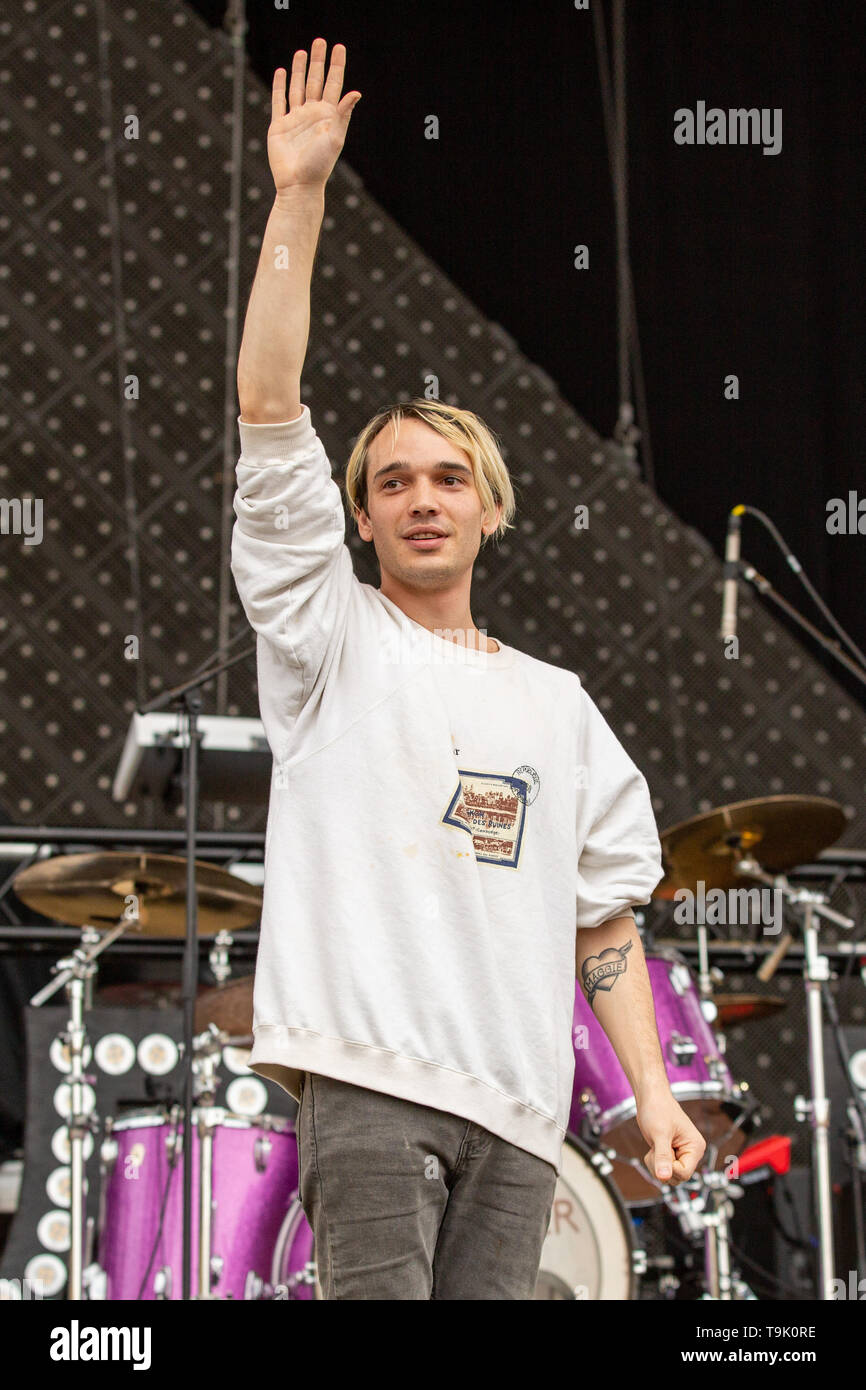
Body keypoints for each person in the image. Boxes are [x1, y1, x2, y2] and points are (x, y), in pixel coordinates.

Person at [230, 38, 706, 1300]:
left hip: (518, 1109)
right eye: (392, 482)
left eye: (448, 479)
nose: (420, 498)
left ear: (490, 511)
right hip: (373, 1087)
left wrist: (650, 1091)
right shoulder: (328, 635)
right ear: (364, 518)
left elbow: (602, 919)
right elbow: (269, 398)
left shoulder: (558, 707)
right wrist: (300, 195)